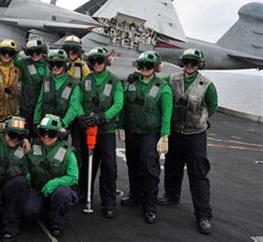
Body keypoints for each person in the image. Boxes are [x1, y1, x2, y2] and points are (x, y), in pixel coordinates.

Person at [157, 49, 218, 234]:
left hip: (195, 135)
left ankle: (203, 214)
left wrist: (199, 120)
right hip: (175, 132)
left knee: (198, 174)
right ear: (182, 63)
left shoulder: (207, 85)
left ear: (199, 64)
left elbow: (213, 106)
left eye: (194, 62)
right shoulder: (173, 79)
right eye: (187, 62)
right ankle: (171, 196)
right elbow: (159, 87)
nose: (190, 65)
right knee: (172, 166)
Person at [118, 50, 172, 224]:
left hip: (150, 133)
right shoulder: (132, 83)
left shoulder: (163, 87)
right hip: (132, 131)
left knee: (149, 170)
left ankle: (149, 206)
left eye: (148, 66)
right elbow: (125, 105)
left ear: (156, 67)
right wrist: (120, 126)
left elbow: (166, 114)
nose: (145, 69)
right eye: (141, 65)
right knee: (133, 165)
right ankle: (135, 195)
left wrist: (164, 135)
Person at [80, 47, 123, 218]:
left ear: (106, 61)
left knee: (109, 167)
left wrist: (103, 117)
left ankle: (109, 202)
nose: (97, 64)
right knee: (86, 164)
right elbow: (79, 100)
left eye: (100, 60)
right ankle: (84, 194)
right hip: (89, 129)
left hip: (106, 131)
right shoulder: (86, 80)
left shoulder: (114, 81)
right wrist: (82, 116)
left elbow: (118, 104)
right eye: (94, 61)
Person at [24, 114, 79, 237]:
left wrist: (53, 184)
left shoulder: (67, 152)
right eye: (43, 132)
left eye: (51, 134)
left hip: (57, 190)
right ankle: (46, 210)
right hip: (39, 190)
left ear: (58, 134)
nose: (46, 137)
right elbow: (27, 166)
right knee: (28, 211)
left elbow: (73, 177)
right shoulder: (35, 145)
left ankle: (56, 223)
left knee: (63, 194)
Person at [33, 49, 83, 133]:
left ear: (65, 65)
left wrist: (63, 124)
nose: (55, 67)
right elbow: (40, 101)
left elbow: (73, 108)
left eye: (59, 64)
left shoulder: (74, 84)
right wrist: (36, 121)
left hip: (61, 127)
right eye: (52, 64)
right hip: (44, 123)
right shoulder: (47, 80)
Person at [15, 37, 48, 136]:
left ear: (43, 51)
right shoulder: (24, 62)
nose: (34, 55)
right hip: (26, 109)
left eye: (37, 52)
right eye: (31, 52)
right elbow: (8, 60)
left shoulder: (50, 64)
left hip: (42, 110)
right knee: (23, 136)